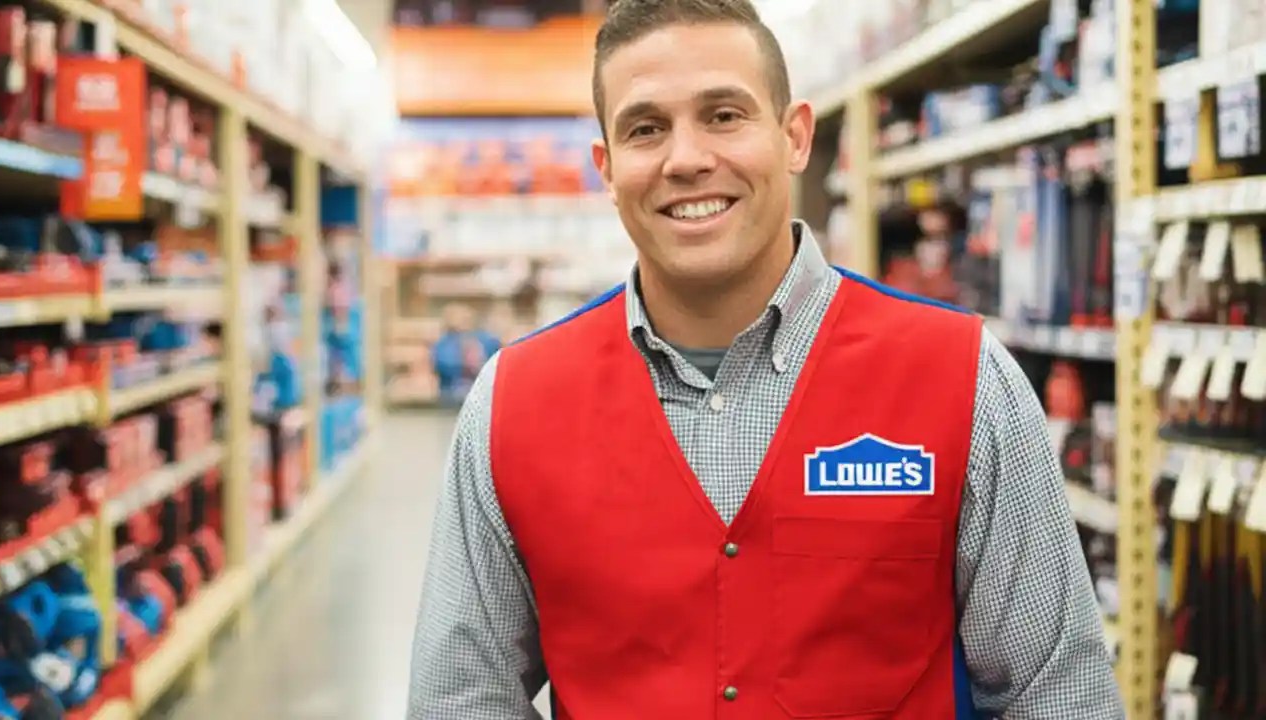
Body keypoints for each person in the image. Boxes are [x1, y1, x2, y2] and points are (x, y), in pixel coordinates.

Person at [406, 1, 1125, 717]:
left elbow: (1058, 696)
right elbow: (462, 699)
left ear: (795, 137)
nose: (686, 159)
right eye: (646, 128)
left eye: (724, 115)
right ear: (607, 166)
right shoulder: (515, 404)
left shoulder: (961, 379)